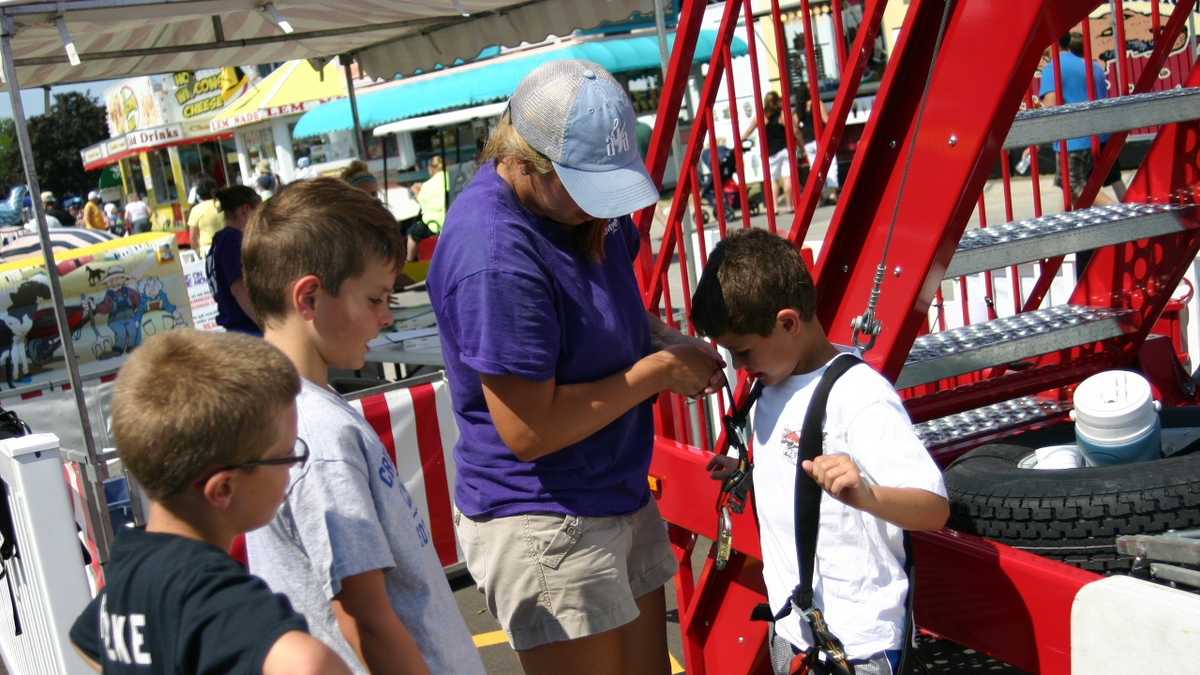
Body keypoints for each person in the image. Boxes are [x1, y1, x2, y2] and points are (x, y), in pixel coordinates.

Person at [426, 60, 724, 675]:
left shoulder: (570, 209)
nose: (600, 212)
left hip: (610, 488)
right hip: (544, 514)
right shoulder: (494, 254)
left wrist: (663, 339)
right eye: (587, 189)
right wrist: (659, 372)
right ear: (523, 162)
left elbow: (606, 312)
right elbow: (529, 431)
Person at [241, 177, 484, 675]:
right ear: (308, 298)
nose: (386, 318)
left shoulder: (280, 408)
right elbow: (365, 617)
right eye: (375, 300)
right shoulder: (319, 436)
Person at [690, 229, 949, 675]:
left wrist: (866, 496)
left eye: (743, 350)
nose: (739, 366)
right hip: (793, 636)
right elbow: (798, 465)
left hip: (856, 648)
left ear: (789, 322)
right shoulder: (772, 384)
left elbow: (933, 508)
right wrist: (748, 470)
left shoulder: (859, 397)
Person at [68, 329, 352, 675]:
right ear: (223, 490)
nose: (294, 467)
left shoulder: (132, 567)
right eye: (287, 454)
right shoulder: (211, 595)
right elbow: (309, 664)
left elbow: (87, 643)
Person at [1039, 32, 1127, 206]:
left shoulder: (1053, 68)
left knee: (1073, 186)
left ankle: (1123, 215)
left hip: (1075, 141)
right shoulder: (1093, 66)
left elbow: (1051, 106)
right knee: (1114, 179)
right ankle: (1131, 210)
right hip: (1102, 136)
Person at [205, 185, 262, 335]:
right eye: (260, 212)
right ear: (245, 210)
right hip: (248, 328)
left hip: (238, 328)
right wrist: (265, 325)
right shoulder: (232, 241)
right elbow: (239, 288)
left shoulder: (220, 240)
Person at [743, 91, 793, 212]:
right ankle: (790, 205)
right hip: (784, 149)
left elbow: (749, 130)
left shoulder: (761, 116)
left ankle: (775, 207)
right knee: (787, 177)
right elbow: (791, 128)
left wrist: (740, 138)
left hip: (770, 152)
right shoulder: (782, 114)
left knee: (773, 180)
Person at [408, 155, 445, 261]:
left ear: (431, 168)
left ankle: (410, 261)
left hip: (437, 225)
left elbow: (422, 203)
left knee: (413, 233)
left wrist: (417, 192)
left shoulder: (428, 185)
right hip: (455, 220)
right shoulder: (453, 177)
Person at [187, 178, 224, 257]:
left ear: (199, 194)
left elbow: (193, 237)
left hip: (208, 250)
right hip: (229, 244)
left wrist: (197, 253)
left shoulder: (196, 210)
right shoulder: (223, 204)